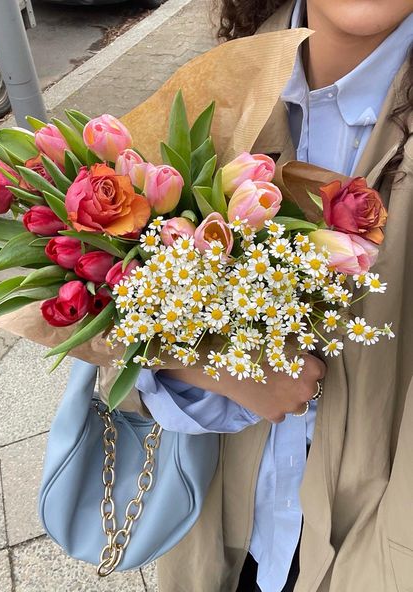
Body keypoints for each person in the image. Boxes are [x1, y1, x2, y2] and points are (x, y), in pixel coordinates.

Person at [100, 0, 413, 590]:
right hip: (220, 527)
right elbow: (111, 307)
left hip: (374, 549)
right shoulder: (215, 90)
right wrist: (219, 369)